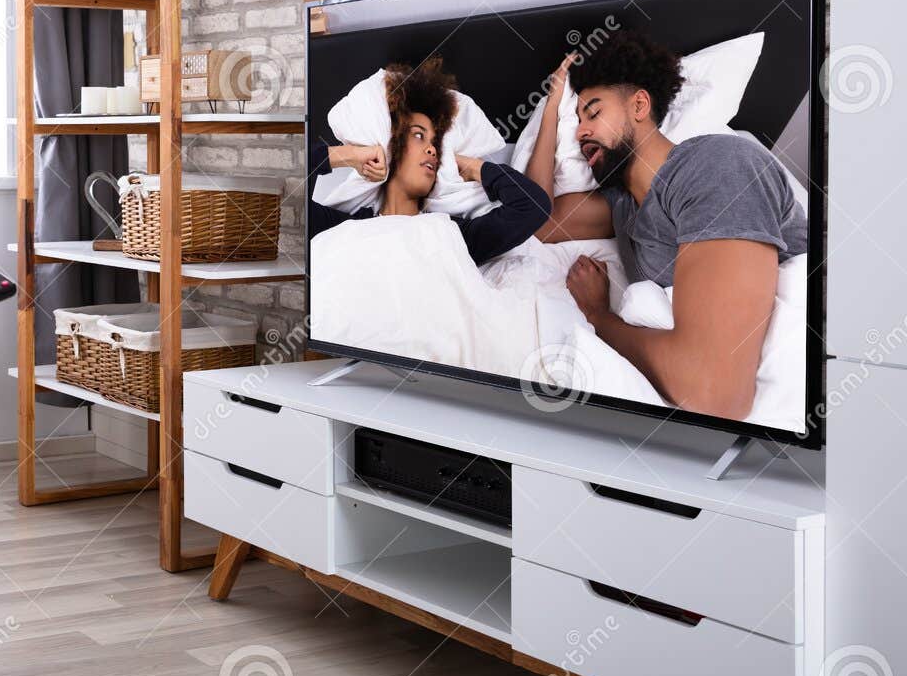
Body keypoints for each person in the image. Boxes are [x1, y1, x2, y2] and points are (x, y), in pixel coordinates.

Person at [526, 31, 807, 421]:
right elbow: (535, 220)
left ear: (639, 105)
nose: (580, 132)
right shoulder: (622, 207)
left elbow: (712, 394)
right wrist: (550, 112)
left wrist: (598, 316)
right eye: (575, 121)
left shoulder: (717, 166)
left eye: (593, 113)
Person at [309, 56, 550, 266]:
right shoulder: (350, 227)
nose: (433, 150)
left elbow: (532, 207)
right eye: (418, 135)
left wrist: (473, 167)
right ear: (392, 147)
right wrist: (349, 155)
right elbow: (293, 191)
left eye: (437, 144)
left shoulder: (453, 234)